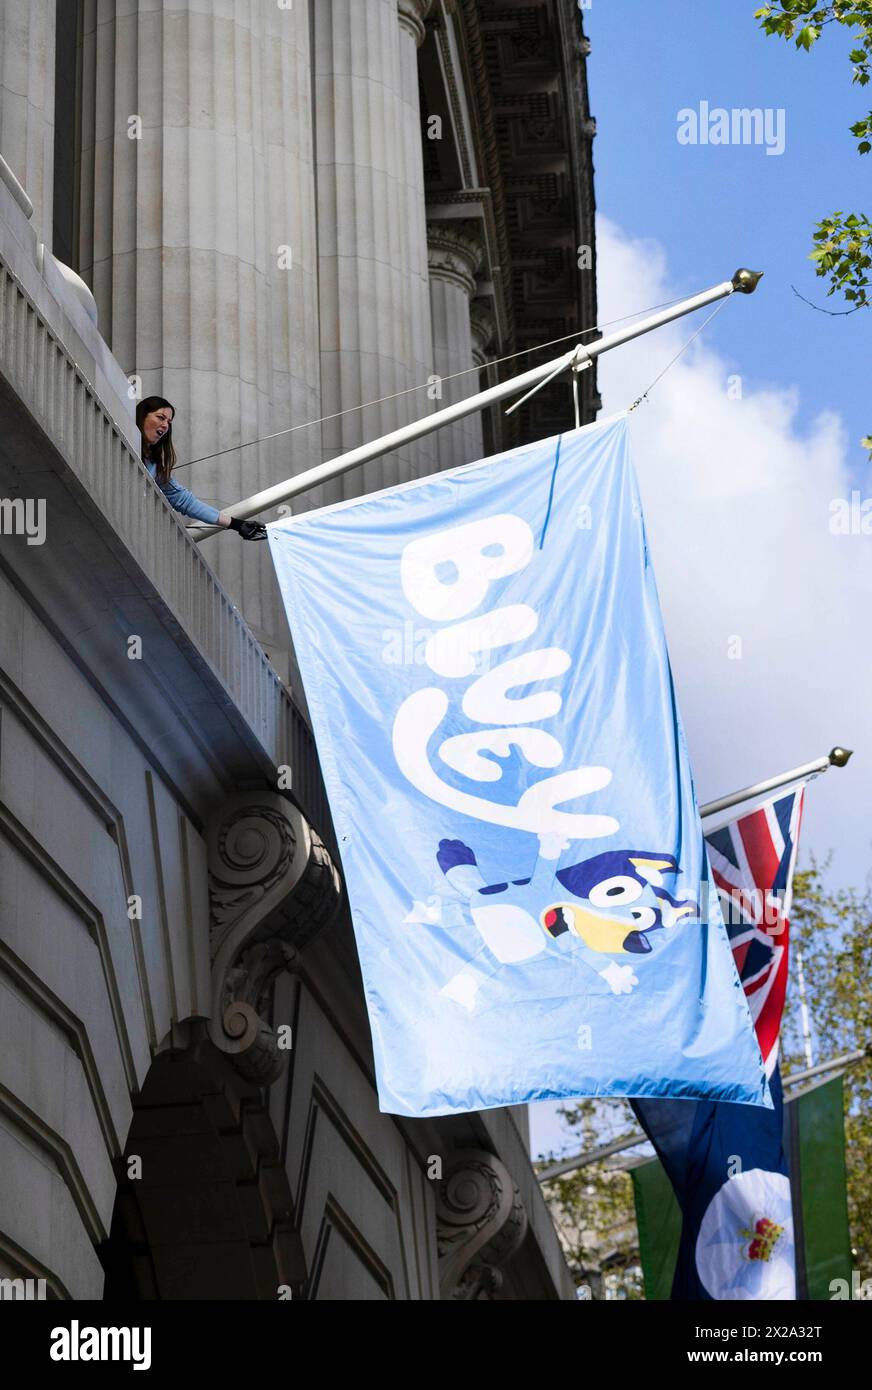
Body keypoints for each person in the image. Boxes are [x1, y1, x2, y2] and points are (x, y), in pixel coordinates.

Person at [136, 396, 266, 540]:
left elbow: (185, 501)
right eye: (161, 417)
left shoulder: (154, 466)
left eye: (169, 422)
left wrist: (237, 524)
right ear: (142, 416)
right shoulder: (118, 434)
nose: (166, 425)